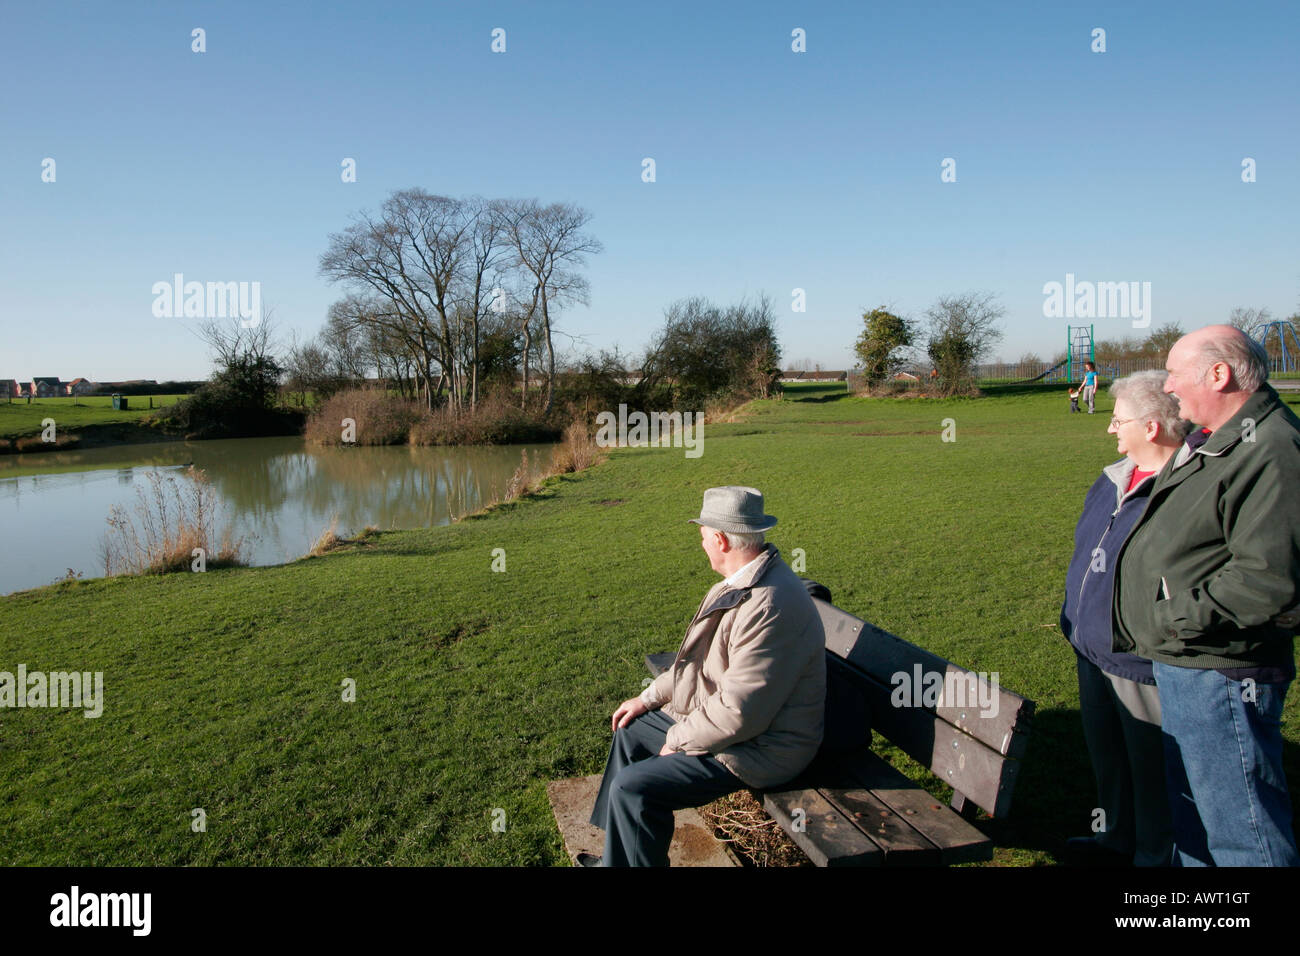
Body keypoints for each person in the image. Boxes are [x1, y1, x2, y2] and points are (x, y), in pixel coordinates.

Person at [1112, 325, 1300, 866]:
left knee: (1244, 833)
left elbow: (1268, 580)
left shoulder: (1271, 447)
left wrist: (1174, 616)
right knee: (1197, 821)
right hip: (1190, 663)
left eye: (1174, 373)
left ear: (1218, 375)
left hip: (1222, 671)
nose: (1168, 387)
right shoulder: (1224, 440)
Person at [582, 486, 827, 866]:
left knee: (634, 788)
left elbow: (741, 713)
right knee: (630, 729)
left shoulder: (769, 605)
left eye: (702, 537)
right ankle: (616, 859)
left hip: (763, 748)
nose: (701, 545)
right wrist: (647, 698)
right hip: (737, 728)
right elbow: (695, 664)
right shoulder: (741, 583)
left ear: (721, 539)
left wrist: (678, 739)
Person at [1061, 371, 1191, 866]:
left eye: (1119, 421)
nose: (1110, 429)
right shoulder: (1115, 475)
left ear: (1153, 426)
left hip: (1140, 656)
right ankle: (1114, 838)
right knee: (1108, 757)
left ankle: (1155, 857)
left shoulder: (1187, 487)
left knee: (1151, 764)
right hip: (1091, 645)